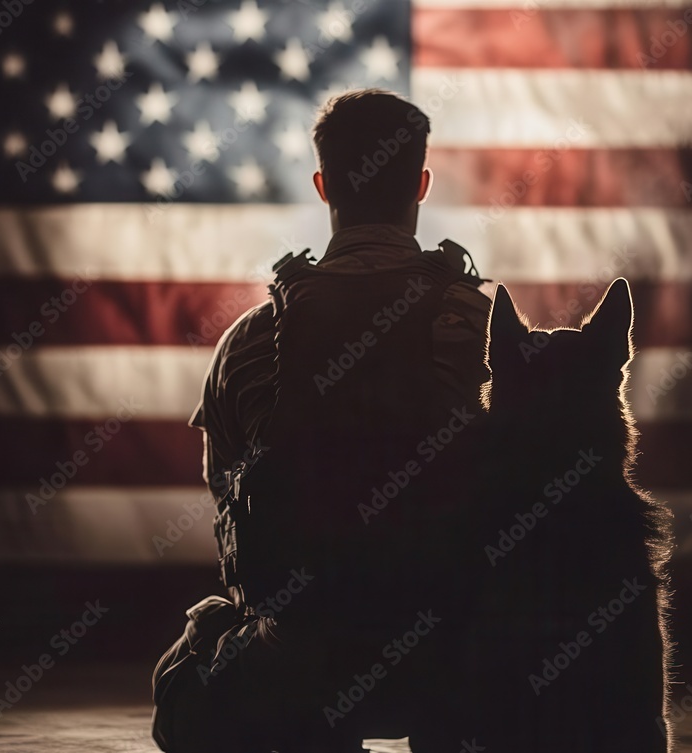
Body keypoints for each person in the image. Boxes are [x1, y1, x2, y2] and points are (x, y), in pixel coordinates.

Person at [152, 89, 493, 753]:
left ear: (323, 183)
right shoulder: (483, 329)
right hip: (455, 664)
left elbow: (230, 505)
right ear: (420, 184)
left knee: (185, 672)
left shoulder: (248, 342)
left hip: (294, 667)